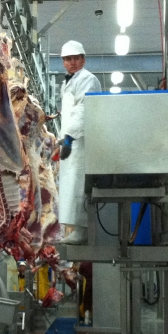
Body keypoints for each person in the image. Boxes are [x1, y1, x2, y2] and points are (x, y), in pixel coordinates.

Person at [56, 40, 101, 244]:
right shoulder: (69, 82)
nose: (72, 62)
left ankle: (82, 231)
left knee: (78, 185)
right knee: (70, 184)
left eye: (76, 58)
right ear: (63, 62)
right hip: (71, 142)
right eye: (68, 59)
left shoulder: (87, 79)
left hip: (81, 141)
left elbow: (83, 111)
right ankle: (73, 229)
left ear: (83, 60)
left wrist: (70, 137)